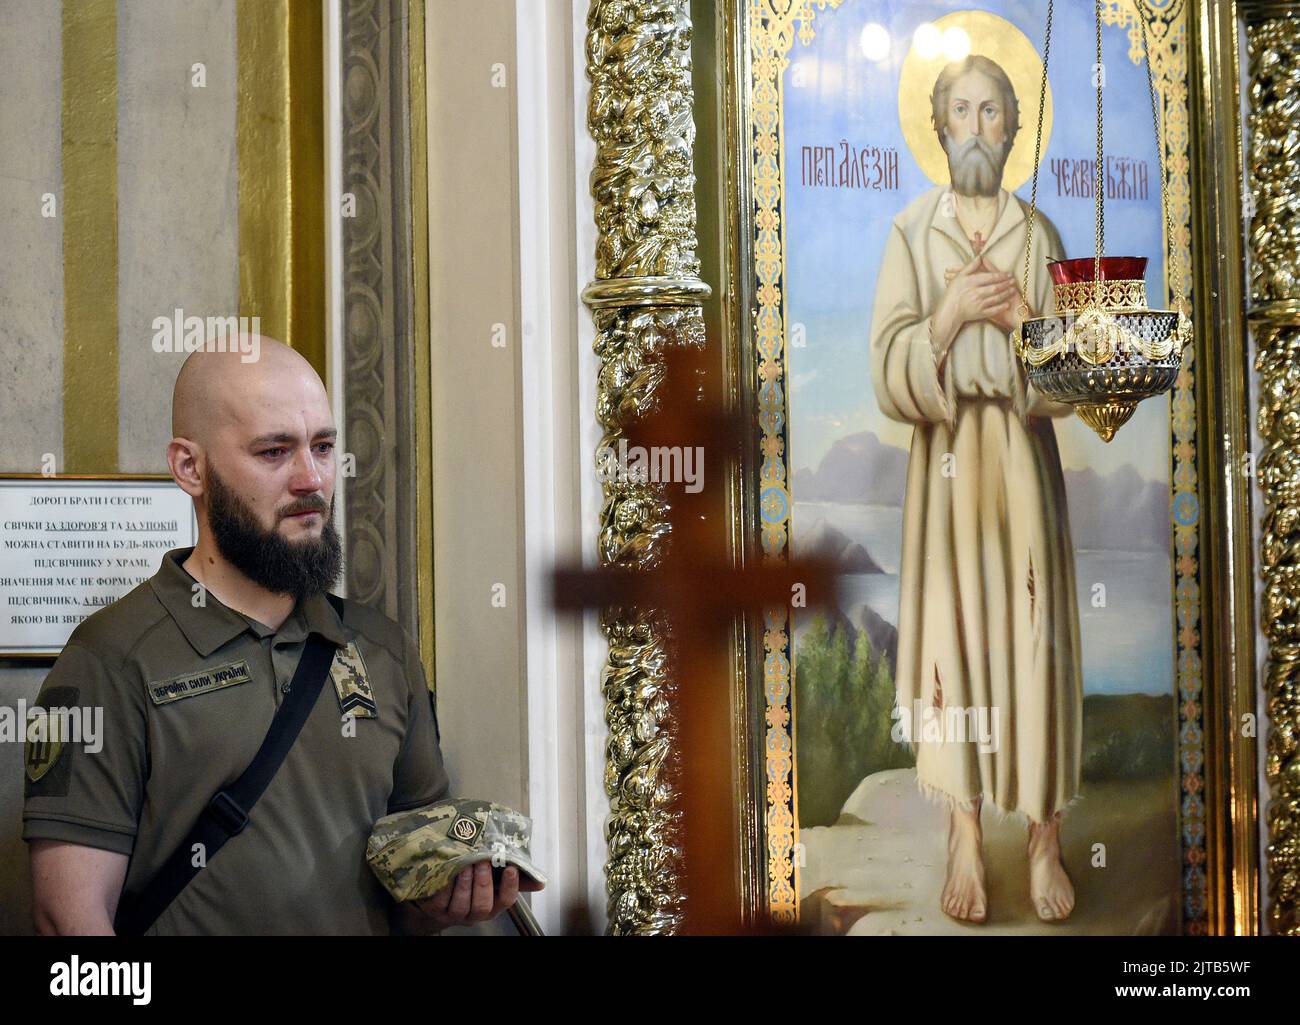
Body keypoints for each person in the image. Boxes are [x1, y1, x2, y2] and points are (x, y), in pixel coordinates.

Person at [24, 336, 541, 934]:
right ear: (190, 468)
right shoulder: (106, 661)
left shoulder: (381, 648)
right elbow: (66, 920)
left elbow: (410, 876)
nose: (311, 479)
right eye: (274, 452)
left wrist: (440, 901)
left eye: (322, 447)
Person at [869, 54, 1082, 923]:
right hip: (948, 472)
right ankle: (964, 830)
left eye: (995, 112)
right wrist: (949, 316)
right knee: (953, 644)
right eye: (963, 111)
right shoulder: (914, 234)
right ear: (940, 124)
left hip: (1022, 472)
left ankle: (1043, 840)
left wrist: (1026, 326)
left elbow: (1071, 376)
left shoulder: (1039, 239)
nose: (979, 127)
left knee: (1031, 641)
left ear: (1014, 130)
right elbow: (888, 368)